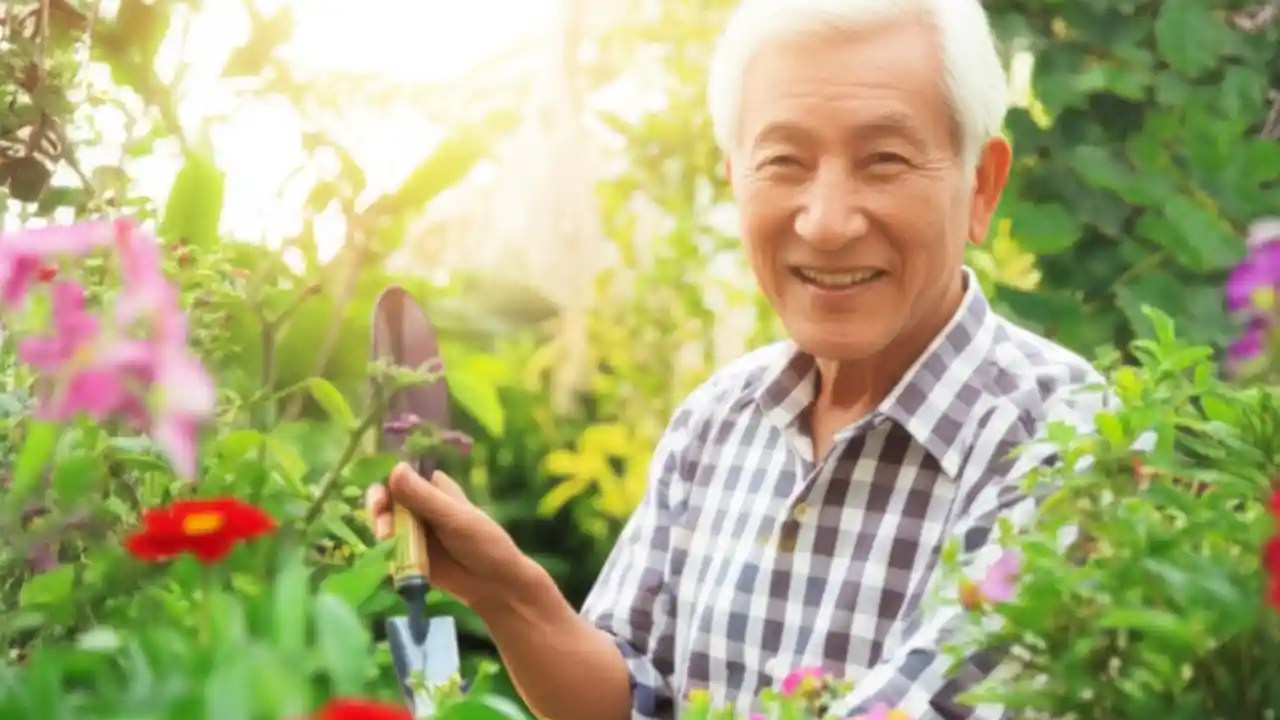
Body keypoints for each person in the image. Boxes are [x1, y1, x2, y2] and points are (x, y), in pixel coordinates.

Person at [364, 0, 1108, 718]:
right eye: (784, 161)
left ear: (980, 185)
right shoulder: (719, 421)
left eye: (883, 160)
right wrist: (509, 593)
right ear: (734, 178)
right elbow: (633, 698)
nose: (825, 222)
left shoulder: (1061, 434)